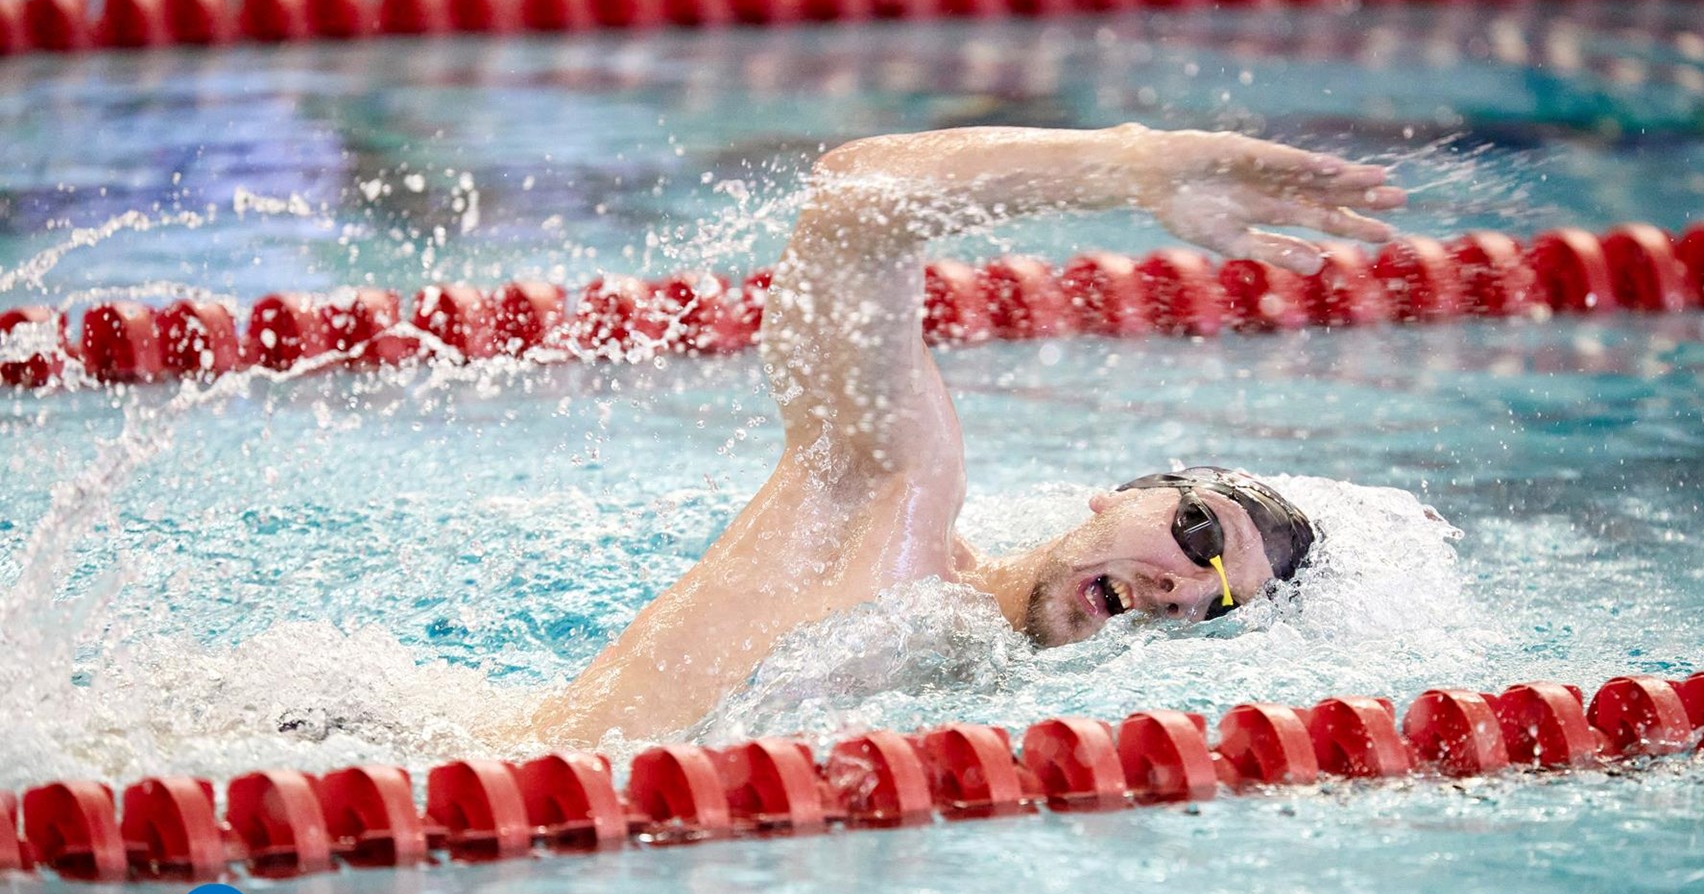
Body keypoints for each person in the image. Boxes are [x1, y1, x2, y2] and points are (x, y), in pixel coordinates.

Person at [532, 124, 1404, 743]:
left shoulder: (987, 698)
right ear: (1118, 496)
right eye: (1201, 534)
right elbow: (858, 199)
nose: (1183, 591)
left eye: (1218, 607)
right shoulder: (894, 510)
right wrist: (1134, 164)